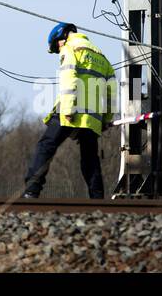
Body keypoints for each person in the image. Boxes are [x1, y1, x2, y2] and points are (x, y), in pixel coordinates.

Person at [22, 21, 116, 200]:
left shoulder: (70, 48)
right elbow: (112, 90)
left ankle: (31, 190)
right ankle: (98, 200)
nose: (58, 49)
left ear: (63, 36)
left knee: (46, 146)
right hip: (92, 118)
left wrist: (68, 109)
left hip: (70, 111)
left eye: (56, 45)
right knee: (90, 159)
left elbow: (70, 80)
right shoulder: (102, 56)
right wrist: (105, 119)